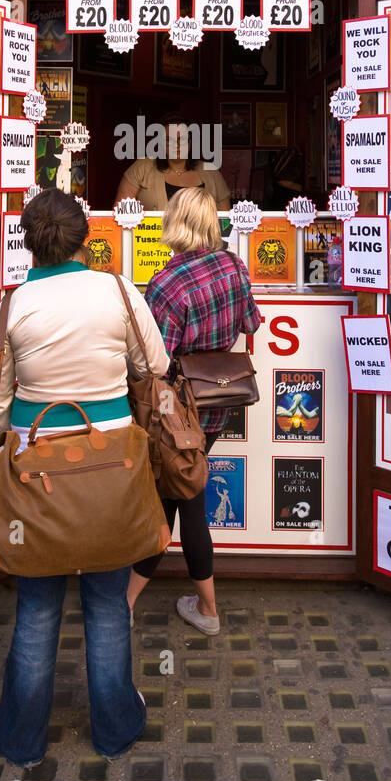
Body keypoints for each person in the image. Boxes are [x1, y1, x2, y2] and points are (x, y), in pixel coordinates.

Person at [0, 187, 170, 767]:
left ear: (28, 243)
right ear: (86, 237)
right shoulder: (117, 291)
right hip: (113, 470)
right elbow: (154, 367)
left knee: (37, 605)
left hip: (39, 476)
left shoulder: (12, 308)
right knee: (109, 604)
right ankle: (114, 727)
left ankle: (22, 738)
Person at [127, 187, 262, 636]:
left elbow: (156, 363)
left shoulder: (168, 283)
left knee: (173, 502)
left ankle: (147, 607)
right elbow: (251, 323)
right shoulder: (235, 266)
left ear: (174, 222)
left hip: (174, 414)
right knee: (182, 498)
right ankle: (200, 607)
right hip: (216, 406)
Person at [114, 114, 231, 210]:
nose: (177, 145)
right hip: (153, 238)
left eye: (182, 140)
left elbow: (226, 225)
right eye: (169, 140)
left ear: (191, 143)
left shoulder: (211, 171)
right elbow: (121, 213)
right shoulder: (142, 167)